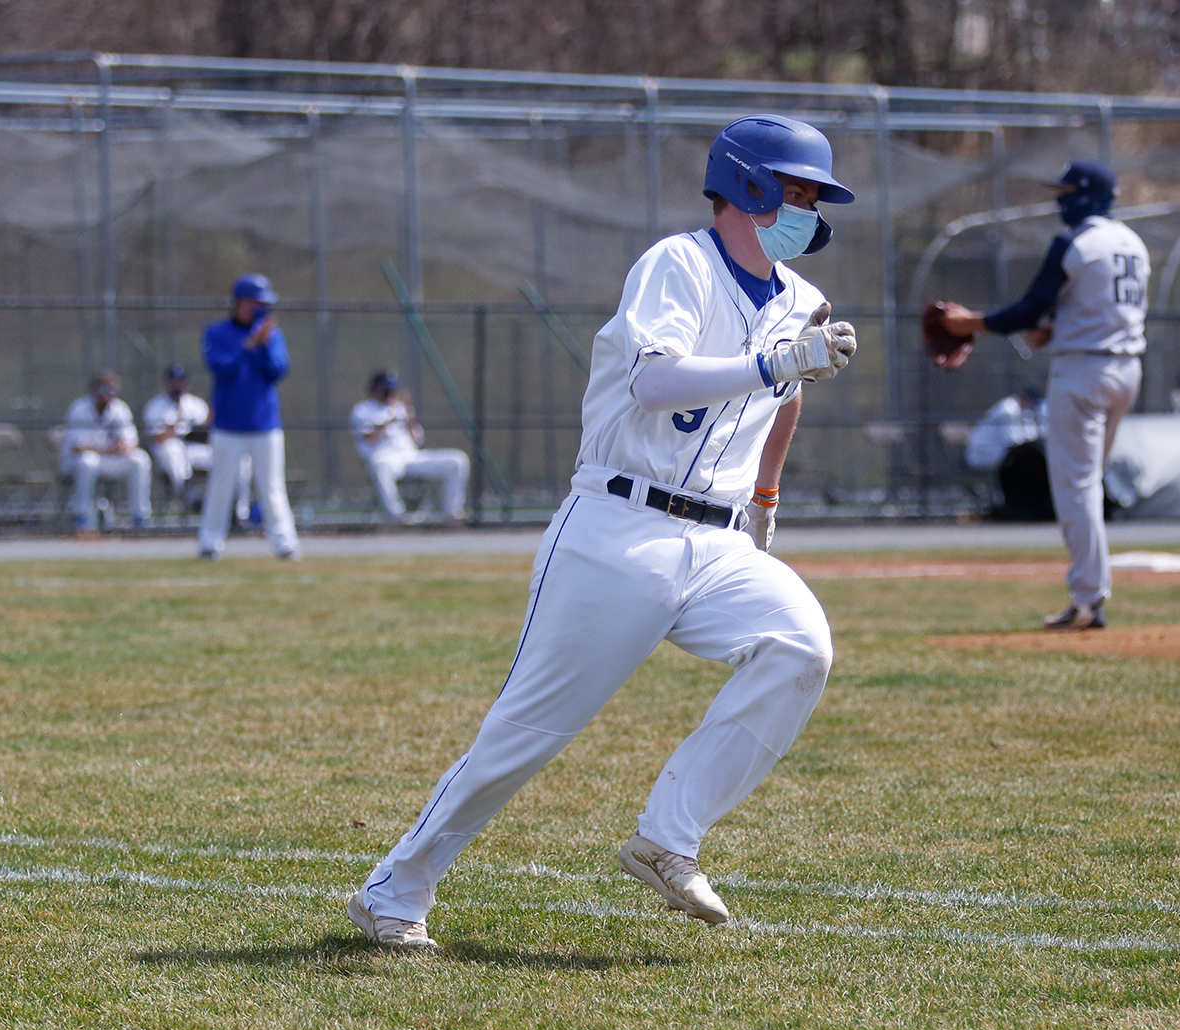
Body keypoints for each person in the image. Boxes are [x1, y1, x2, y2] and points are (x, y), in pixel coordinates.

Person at [346, 114, 856, 949]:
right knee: (526, 734)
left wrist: (765, 494)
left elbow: (788, 393)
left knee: (801, 645)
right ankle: (395, 888)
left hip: (721, 536)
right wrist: (779, 364)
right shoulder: (679, 263)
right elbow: (656, 384)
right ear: (749, 185)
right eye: (795, 189)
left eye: (813, 194)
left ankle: (668, 839)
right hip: (621, 523)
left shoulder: (800, 298)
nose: (806, 207)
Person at [936, 159, 1150, 631]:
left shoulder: (1075, 242)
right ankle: (1091, 595)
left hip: (1084, 372)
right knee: (1087, 484)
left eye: (1068, 190)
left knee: (1075, 488)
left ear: (1089, 194)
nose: (1060, 199)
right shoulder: (1133, 243)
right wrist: (1054, 329)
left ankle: (1089, 600)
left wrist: (970, 322)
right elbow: (1100, 308)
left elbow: (1029, 308)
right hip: (1126, 370)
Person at [197, 274, 302, 561]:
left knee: (271, 486)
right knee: (222, 485)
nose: (261, 308)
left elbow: (278, 370)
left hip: (264, 424)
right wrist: (249, 347)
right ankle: (210, 542)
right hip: (228, 425)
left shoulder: (270, 334)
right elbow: (221, 369)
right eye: (257, 302)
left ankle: (284, 543)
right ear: (241, 303)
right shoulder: (217, 332)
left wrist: (264, 345)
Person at [350, 371, 471, 523]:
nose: (390, 394)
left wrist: (409, 419)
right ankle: (396, 517)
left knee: (457, 460)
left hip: (411, 457)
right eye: (385, 389)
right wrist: (389, 419)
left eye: (392, 389)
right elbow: (369, 438)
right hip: (385, 457)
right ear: (375, 390)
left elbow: (416, 440)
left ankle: (452, 513)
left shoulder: (401, 408)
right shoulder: (363, 409)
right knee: (380, 466)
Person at [59, 369, 151, 534]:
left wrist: (124, 447)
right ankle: (82, 517)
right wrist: (111, 449)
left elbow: (131, 443)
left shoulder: (120, 408)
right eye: (104, 390)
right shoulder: (79, 408)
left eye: (112, 390)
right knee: (88, 461)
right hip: (77, 463)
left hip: (109, 460)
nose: (108, 395)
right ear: (93, 390)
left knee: (140, 459)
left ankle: (139, 517)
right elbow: (78, 448)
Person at [142, 364, 213, 507]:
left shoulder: (196, 404)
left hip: (194, 448)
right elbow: (157, 438)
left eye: (181, 381)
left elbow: (208, 430)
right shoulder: (155, 406)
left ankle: (222, 503)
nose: (178, 385)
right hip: (167, 451)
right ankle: (187, 496)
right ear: (167, 383)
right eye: (174, 381)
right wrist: (176, 429)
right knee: (173, 450)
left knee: (220, 455)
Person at [964, 385, 1046, 471]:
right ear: (1025, 398)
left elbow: (1032, 435)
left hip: (998, 452)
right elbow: (1013, 442)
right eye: (1033, 401)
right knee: (1021, 461)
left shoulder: (1025, 411)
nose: (1033, 405)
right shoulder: (1008, 410)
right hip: (981, 454)